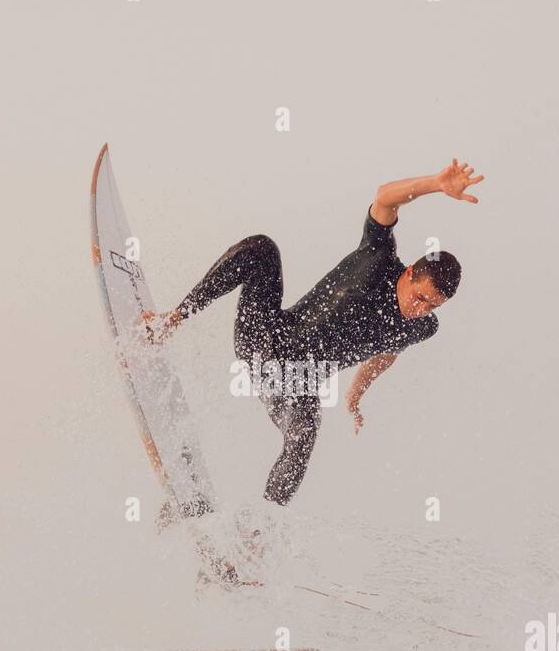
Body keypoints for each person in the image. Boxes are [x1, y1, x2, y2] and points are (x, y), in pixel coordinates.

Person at [145, 158, 483, 506]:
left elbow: (388, 352)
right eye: (421, 298)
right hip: (265, 339)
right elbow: (385, 198)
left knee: (304, 433)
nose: (422, 309)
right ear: (410, 272)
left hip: (297, 381)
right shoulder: (378, 257)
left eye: (433, 306)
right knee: (262, 249)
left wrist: (355, 395)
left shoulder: (422, 327)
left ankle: (257, 535)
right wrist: (436, 184)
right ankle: (172, 319)